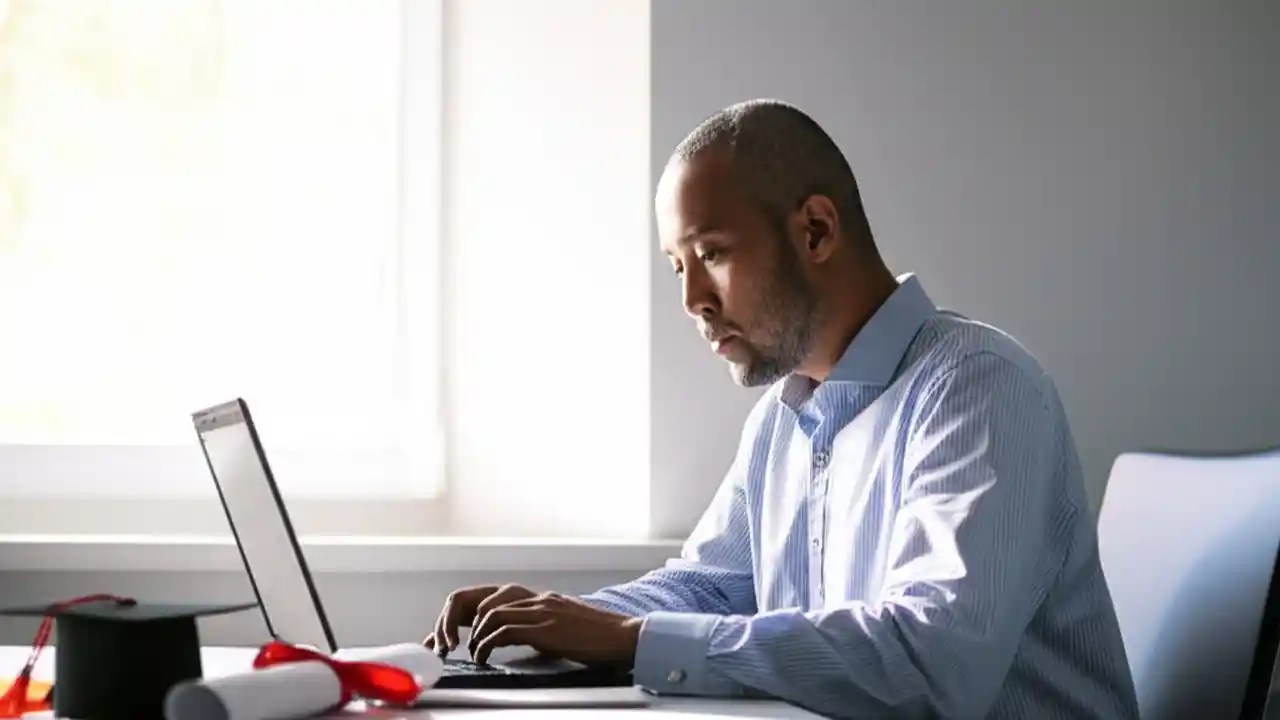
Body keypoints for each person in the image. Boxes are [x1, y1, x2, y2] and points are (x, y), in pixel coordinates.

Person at [424, 100, 1139, 719]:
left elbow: (932, 662)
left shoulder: (978, 387)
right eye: (680, 265)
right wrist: (566, 620)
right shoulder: (783, 418)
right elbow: (714, 586)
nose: (693, 301)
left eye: (713, 252)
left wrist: (633, 641)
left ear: (817, 231)